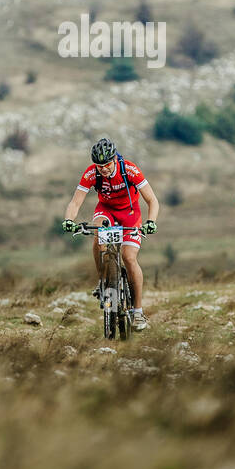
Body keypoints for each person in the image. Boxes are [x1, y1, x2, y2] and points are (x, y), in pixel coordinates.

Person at [61, 137, 159, 330]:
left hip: (131, 213)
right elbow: (75, 202)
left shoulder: (129, 170)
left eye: (106, 164)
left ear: (114, 159)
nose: (103, 169)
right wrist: (68, 220)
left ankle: (137, 312)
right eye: (99, 166)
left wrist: (151, 222)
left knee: (129, 258)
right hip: (106, 210)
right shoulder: (91, 173)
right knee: (99, 232)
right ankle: (102, 281)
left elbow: (152, 200)